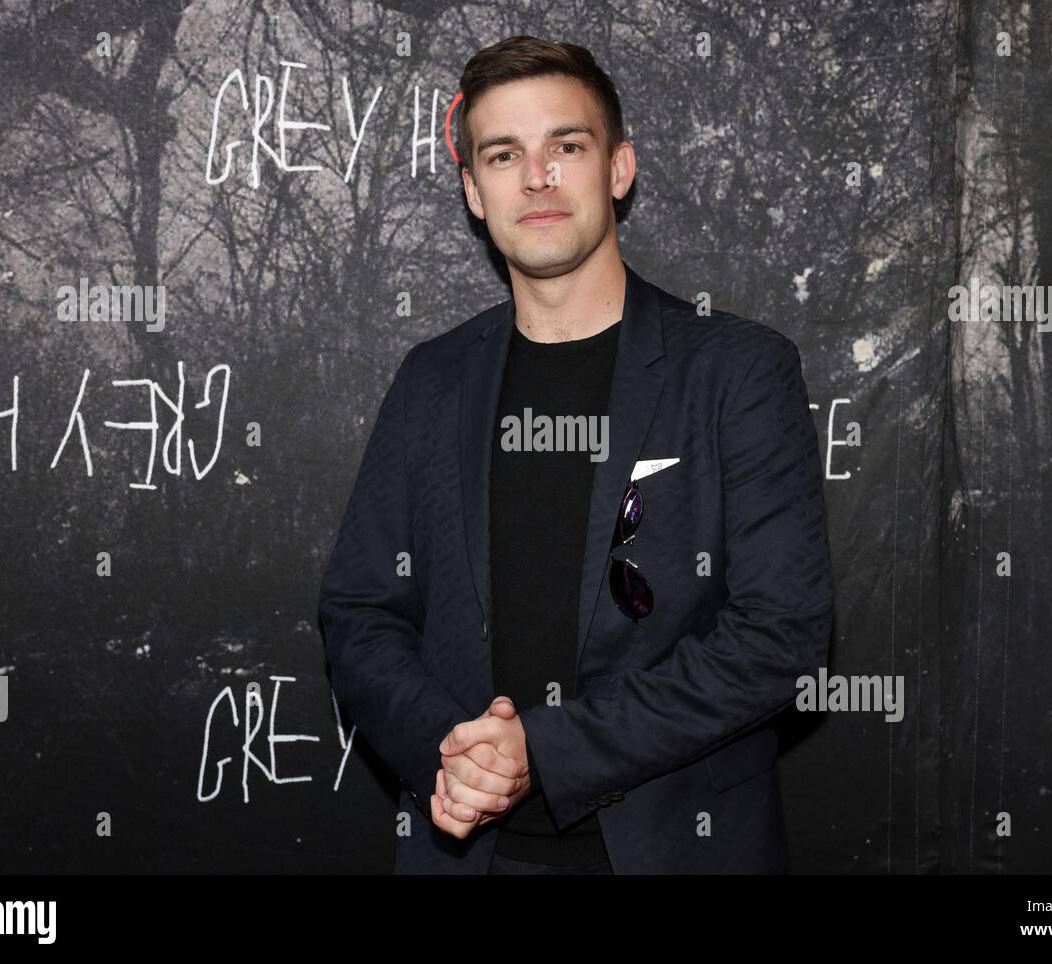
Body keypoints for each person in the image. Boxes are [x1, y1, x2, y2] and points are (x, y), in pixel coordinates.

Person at [316, 34, 834, 874]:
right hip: (470, 855)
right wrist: (450, 755)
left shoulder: (737, 371)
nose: (537, 177)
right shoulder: (431, 380)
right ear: (474, 193)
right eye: (503, 154)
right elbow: (359, 612)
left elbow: (782, 636)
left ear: (619, 169)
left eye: (567, 146)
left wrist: (546, 752)